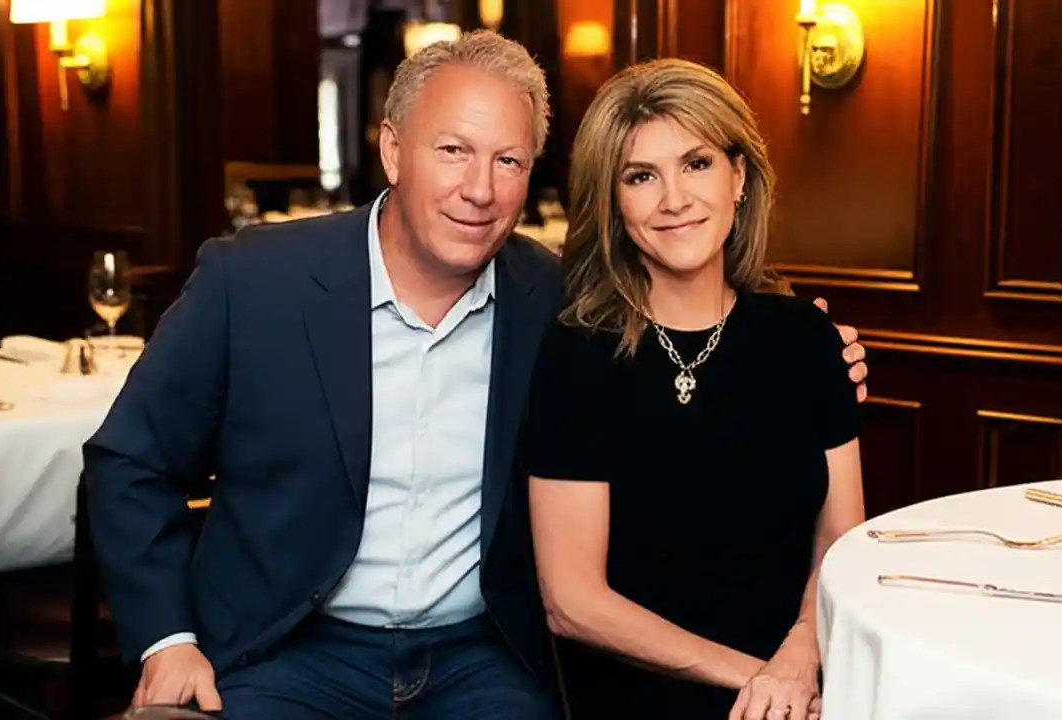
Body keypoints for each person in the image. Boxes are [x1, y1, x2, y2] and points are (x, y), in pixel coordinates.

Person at [84, 31, 867, 718]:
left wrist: (823, 354)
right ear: (392, 149)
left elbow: (693, 315)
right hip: (286, 651)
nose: (480, 189)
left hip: (479, 660)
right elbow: (130, 460)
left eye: (508, 161)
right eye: (452, 150)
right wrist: (167, 641)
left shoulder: (558, 303)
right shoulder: (253, 280)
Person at [524, 58, 866, 720]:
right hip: (648, 696)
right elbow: (572, 601)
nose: (674, 199)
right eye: (641, 176)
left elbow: (841, 540)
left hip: (805, 683)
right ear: (613, 204)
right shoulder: (580, 355)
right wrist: (758, 679)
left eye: (697, 163)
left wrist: (800, 654)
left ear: (739, 177)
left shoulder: (805, 338)